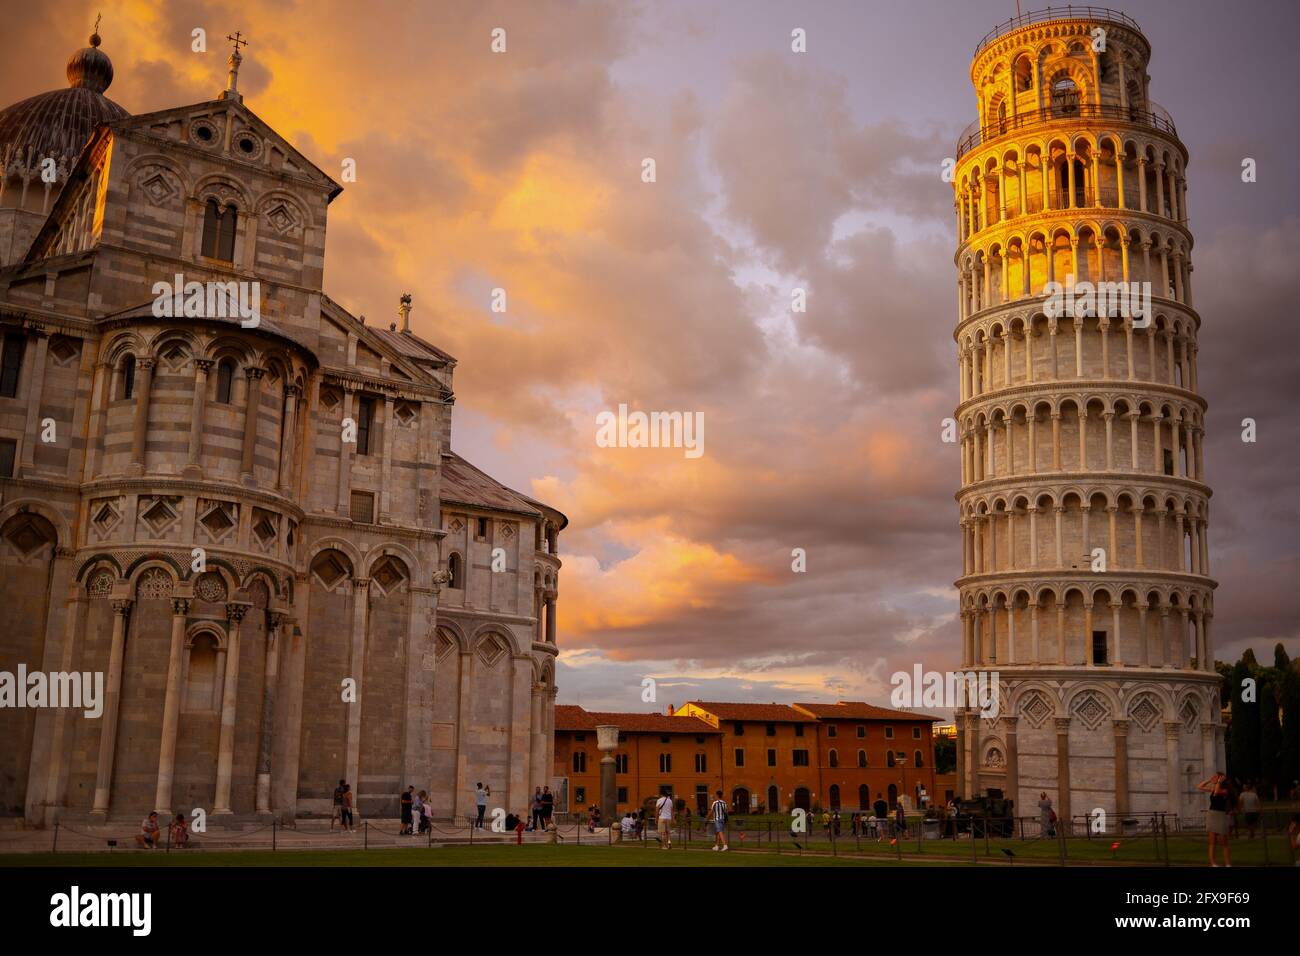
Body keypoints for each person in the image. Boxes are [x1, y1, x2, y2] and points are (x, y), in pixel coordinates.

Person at [1198, 772, 1232, 866]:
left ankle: (1228, 863)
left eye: (1217, 777)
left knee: (1224, 842)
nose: (1215, 778)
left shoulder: (1225, 790)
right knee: (1212, 842)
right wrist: (1209, 780)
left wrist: (1218, 782)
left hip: (1221, 815)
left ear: (1221, 779)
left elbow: (1217, 792)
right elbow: (1200, 786)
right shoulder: (1214, 788)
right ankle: (1213, 863)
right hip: (1212, 814)